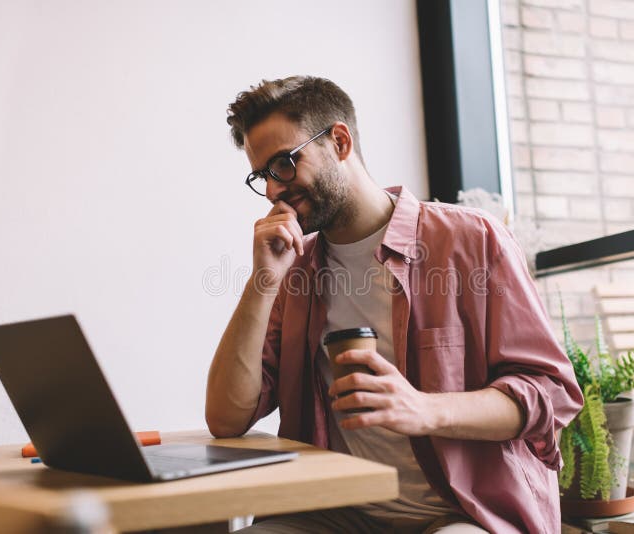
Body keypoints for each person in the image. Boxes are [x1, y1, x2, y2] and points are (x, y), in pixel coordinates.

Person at [205, 76, 583, 533]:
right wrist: (263, 281)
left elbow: (551, 393)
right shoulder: (293, 268)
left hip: (461, 516)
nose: (271, 191)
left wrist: (423, 408)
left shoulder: (471, 241)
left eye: (284, 164)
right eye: (261, 174)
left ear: (339, 142)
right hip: (336, 514)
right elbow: (226, 418)